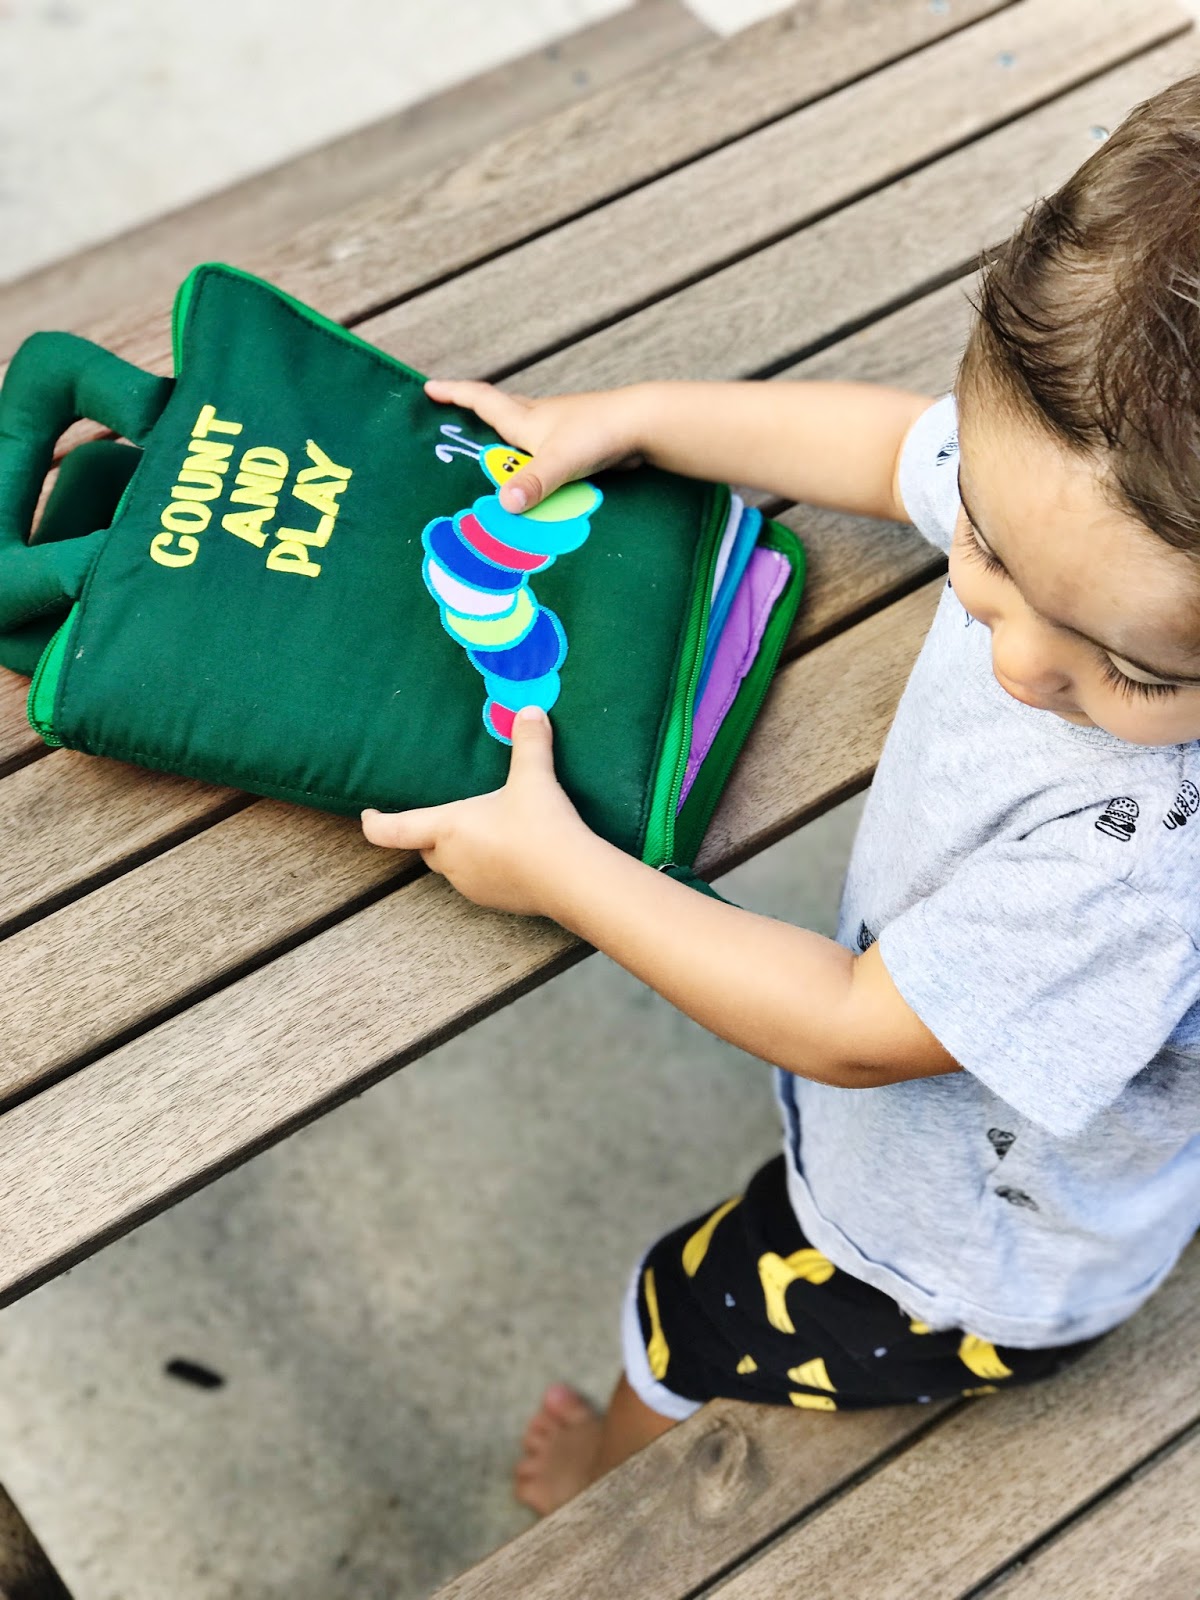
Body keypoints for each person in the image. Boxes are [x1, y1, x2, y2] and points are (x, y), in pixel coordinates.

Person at [361, 74, 1200, 1516]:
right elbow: (887, 451)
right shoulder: (1081, 491)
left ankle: (598, 1502)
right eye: (986, 558)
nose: (1015, 663)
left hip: (961, 1255)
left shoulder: (1146, 864)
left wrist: (563, 869)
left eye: (1121, 670)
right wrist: (628, 419)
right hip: (969, 1091)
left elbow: (852, 1032)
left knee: (678, 1314)